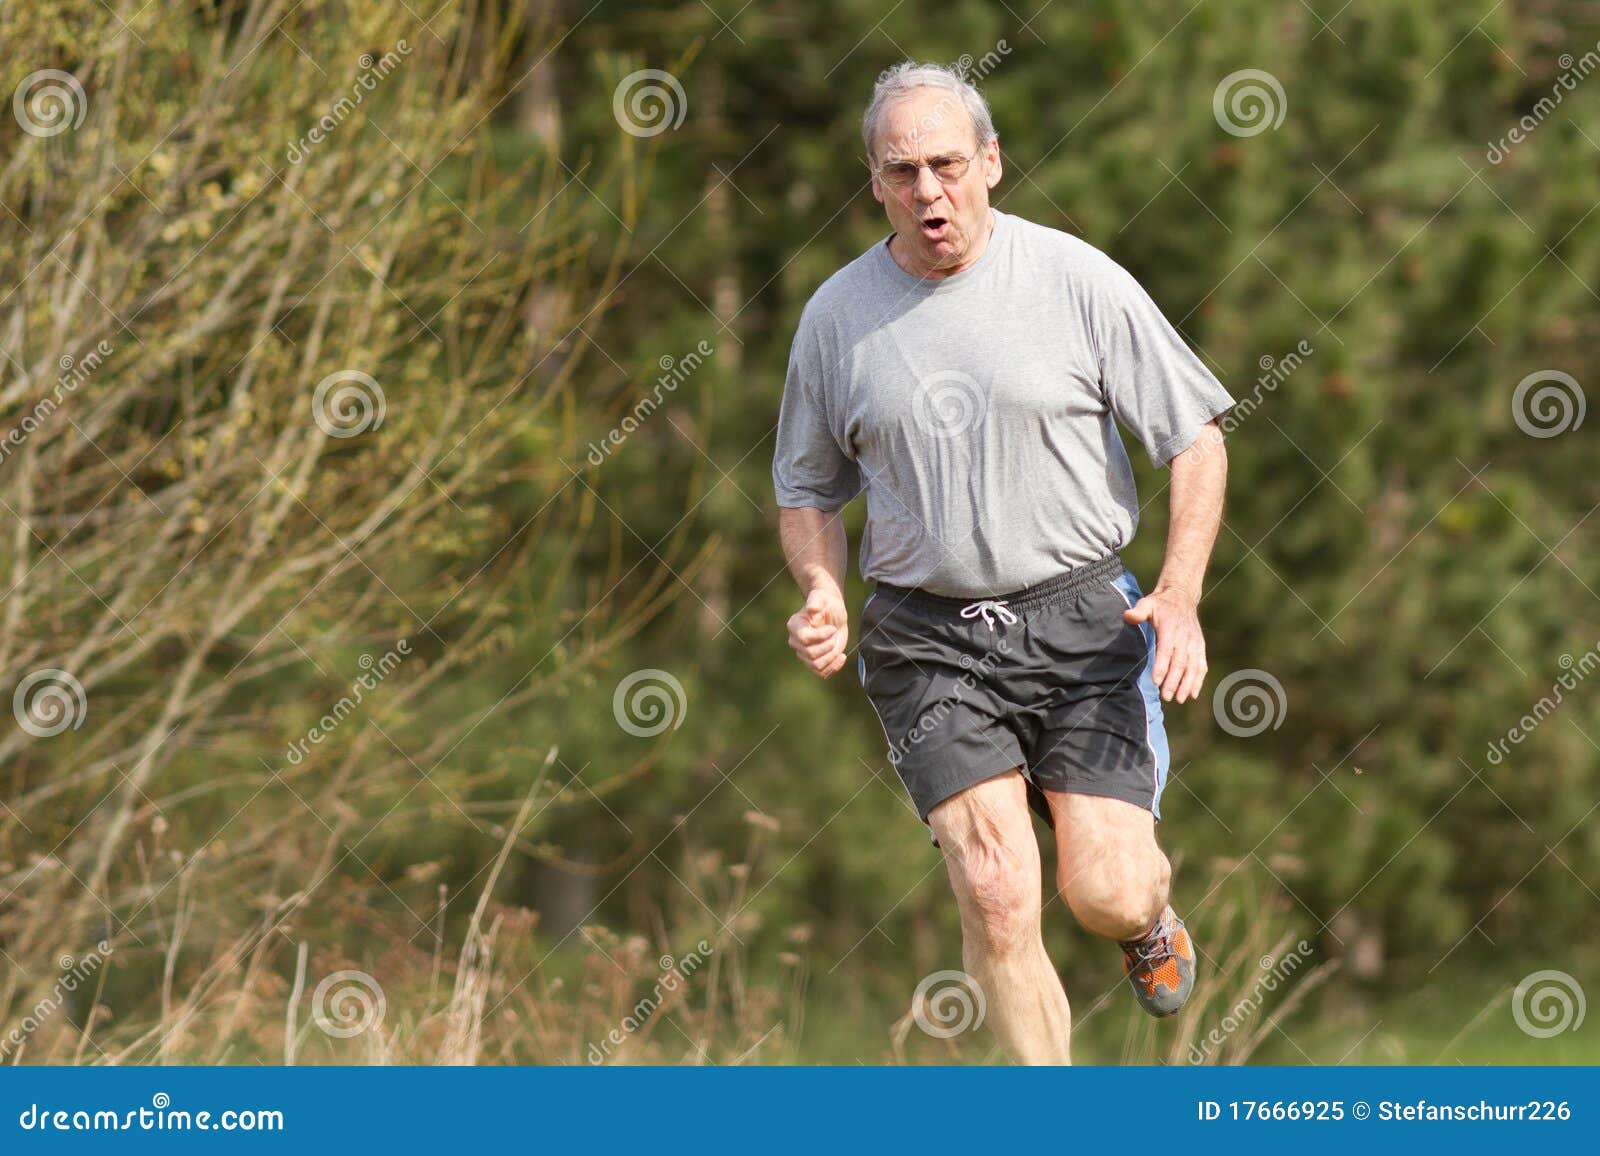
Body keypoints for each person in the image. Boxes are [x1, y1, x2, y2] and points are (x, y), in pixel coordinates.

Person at [772, 61, 1235, 1064]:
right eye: (903, 171)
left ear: (989, 161)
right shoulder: (836, 318)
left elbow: (1195, 440)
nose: (927, 191)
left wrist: (1181, 594)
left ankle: (1144, 922)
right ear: (875, 181)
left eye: (946, 164)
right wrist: (819, 587)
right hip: (928, 636)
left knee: (1103, 887)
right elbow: (805, 488)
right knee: (992, 891)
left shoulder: (1075, 280)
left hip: (1081, 621)